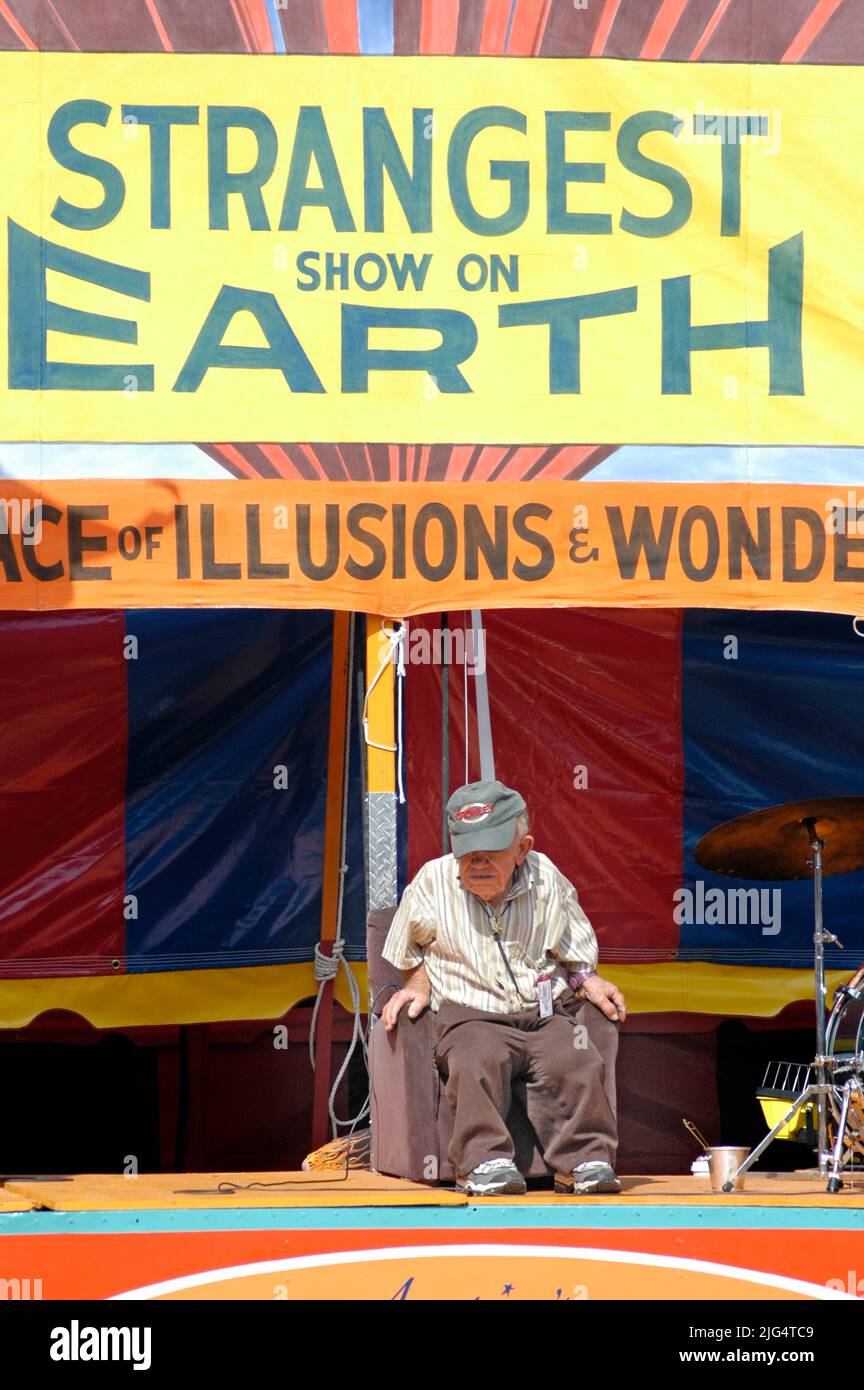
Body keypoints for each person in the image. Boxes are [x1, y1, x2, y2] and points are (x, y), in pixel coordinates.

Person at [381, 779, 625, 1197]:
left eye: (490, 854)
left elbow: (573, 948)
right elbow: (407, 947)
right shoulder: (433, 881)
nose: (476, 864)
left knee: (577, 1057)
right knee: (477, 1057)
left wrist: (589, 980)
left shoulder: (546, 877)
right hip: (469, 1014)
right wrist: (416, 982)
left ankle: (584, 1163)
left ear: (522, 848)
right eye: (467, 854)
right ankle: (483, 1162)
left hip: (542, 1011)